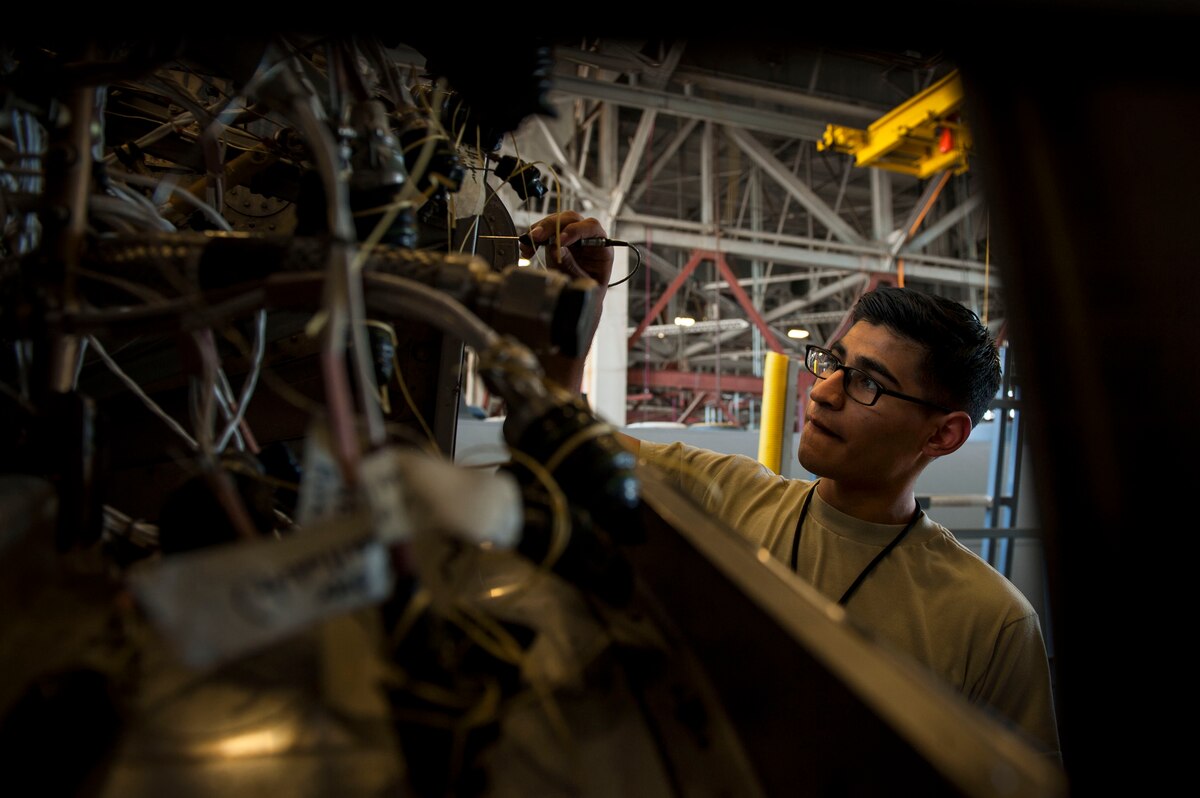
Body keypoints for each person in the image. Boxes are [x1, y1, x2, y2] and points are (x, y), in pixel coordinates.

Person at [519, 211, 1061, 761]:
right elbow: (568, 447)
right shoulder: (721, 495)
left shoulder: (991, 621)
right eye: (833, 364)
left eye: (868, 383)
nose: (824, 392)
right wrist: (576, 314)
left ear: (943, 434)